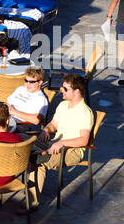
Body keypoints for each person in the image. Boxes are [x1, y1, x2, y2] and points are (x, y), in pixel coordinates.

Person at [22, 72, 94, 212]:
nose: (62, 90)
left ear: (77, 91)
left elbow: (83, 140)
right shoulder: (63, 105)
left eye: (65, 89)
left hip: (72, 151)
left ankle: (31, 204)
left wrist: (62, 143)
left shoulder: (85, 112)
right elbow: (53, 124)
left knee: (39, 161)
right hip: (54, 143)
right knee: (22, 144)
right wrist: (46, 130)